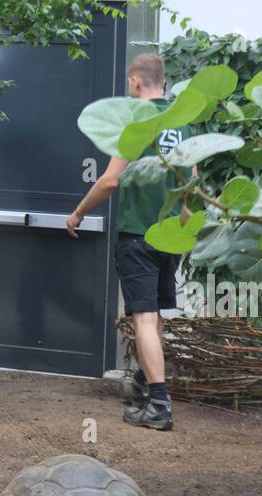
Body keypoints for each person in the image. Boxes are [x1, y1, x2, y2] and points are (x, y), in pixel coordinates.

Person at [66, 52, 191, 432]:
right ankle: (144, 387)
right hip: (170, 235)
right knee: (152, 320)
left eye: (129, 84)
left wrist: (78, 213)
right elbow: (191, 185)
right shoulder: (182, 121)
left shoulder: (136, 122)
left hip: (138, 233)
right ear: (163, 81)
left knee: (144, 318)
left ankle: (159, 403)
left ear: (136, 82)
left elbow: (110, 181)